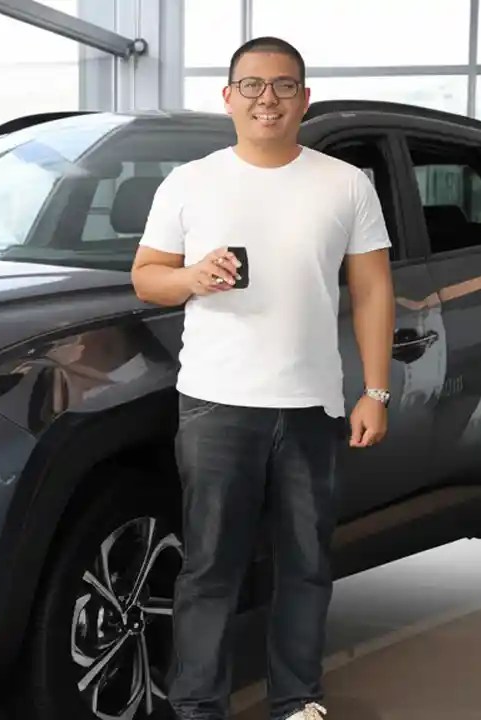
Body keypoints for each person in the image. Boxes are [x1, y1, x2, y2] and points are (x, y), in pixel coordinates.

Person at [129, 36, 396, 720]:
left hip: (312, 407)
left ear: (304, 99)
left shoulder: (344, 183)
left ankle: (297, 701)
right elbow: (146, 276)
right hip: (216, 406)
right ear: (228, 98)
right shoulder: (190, 182)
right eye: (251, 86)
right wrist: (190, 277)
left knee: (306, 565)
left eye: (282, 86)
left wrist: (375, 390)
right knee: (210, 569)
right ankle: (196, 707)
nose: (266, 99)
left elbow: (371, 291)